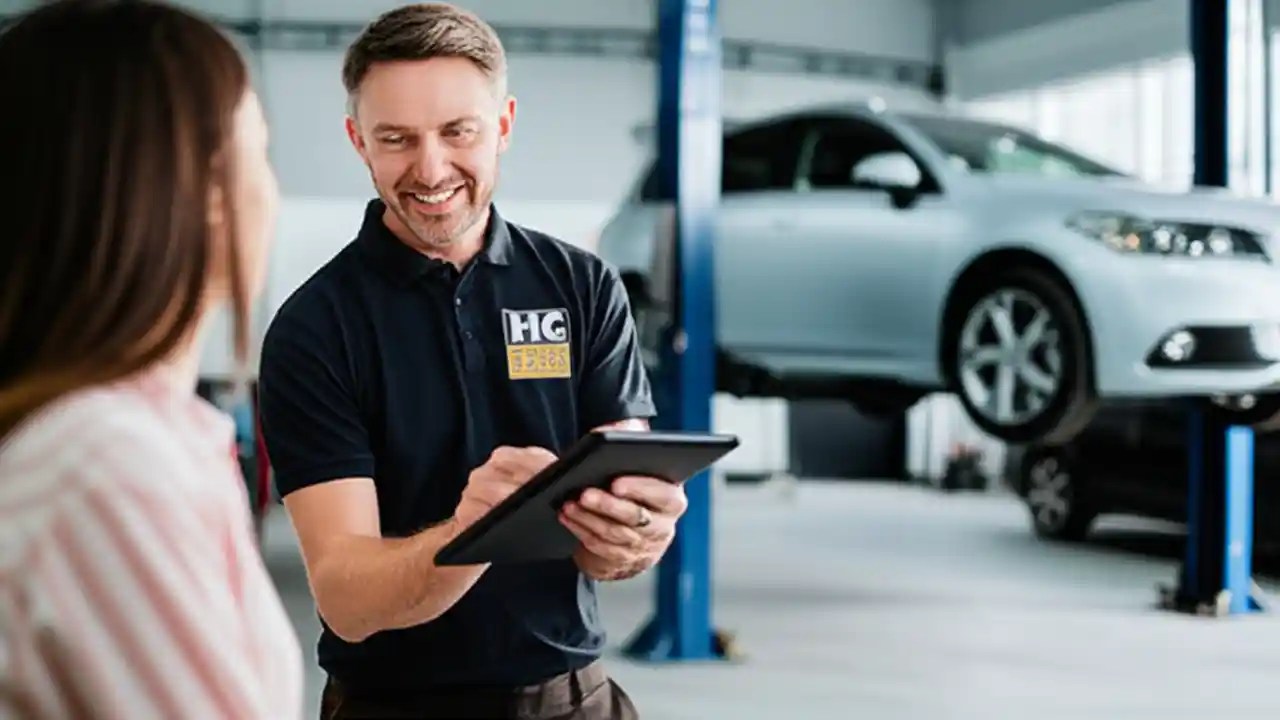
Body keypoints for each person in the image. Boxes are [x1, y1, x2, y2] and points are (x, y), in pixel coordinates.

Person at [256, 3, 687, 718]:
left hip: (571, 701)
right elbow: (347, 597)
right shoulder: (315, 328)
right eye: (396, 139)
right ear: (358, 140)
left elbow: (614, 541)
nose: (431, 170)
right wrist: (473, 534)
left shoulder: (581, 288)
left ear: (504, 125)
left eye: (459, 133)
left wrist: (635, 533)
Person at [0, 1, 303, 719]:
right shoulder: (106, 465)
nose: (274, 189)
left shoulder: (143, 438)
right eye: (260, 152)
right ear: (200, 193)